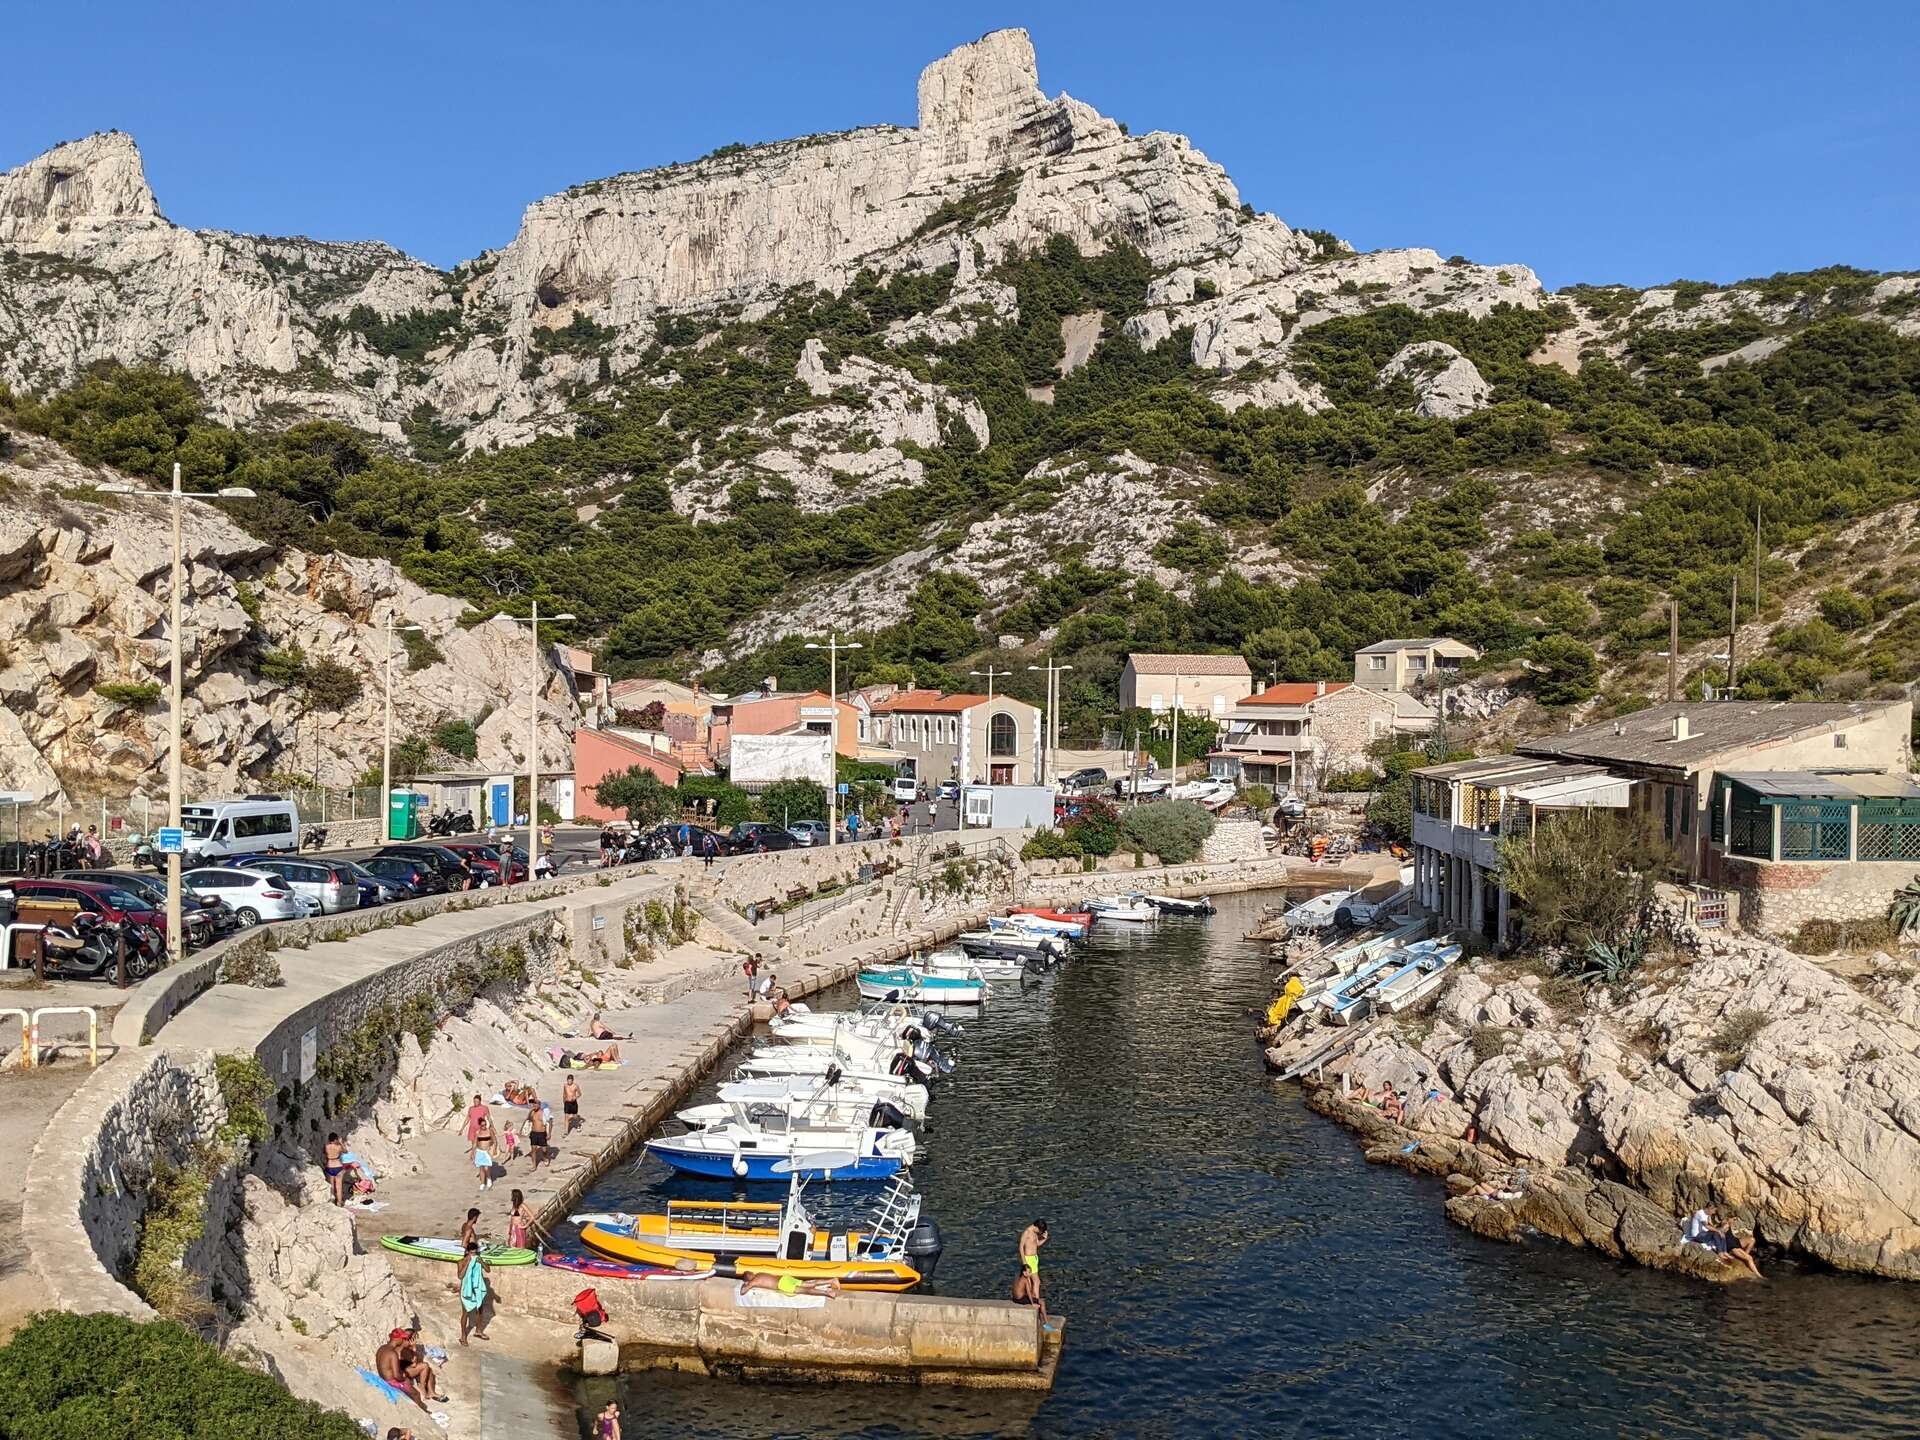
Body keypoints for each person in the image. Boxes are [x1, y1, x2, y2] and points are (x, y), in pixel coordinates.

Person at [374, 1331, 431, 1414]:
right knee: (416, 1394)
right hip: (392, 1381)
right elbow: (397, 1375)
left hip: (383, 1378)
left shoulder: (382, 1348)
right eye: (402, 1338)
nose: (403, 1340)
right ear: (398, 1339)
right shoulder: (392, 1353)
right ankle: (424, 1412)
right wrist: (404, 1379)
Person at [396, 1326, 447, 1404]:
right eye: (415, 1337)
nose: (416, 1339)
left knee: (429, 1370)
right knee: (425, 1365)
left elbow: (415, 1362)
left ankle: (431, 1393)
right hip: (403, 1371)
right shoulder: (403, 1347)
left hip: (409, 1368)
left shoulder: (407, 1346)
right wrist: (413, 1349)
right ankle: (422, 1387)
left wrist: (413, 1349)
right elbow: (414, 1364)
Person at [1013, 1221, 1049, 1320]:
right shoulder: (1027, 1232)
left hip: (1034, 1259)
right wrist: (1025, 1263)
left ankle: (1035, 1299)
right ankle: (1036, 1300)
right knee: (1036, 1281)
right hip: (1028, 1260)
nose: (1040, 1233)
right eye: (1040, 1231)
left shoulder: (1035, 1233)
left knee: (1035, 1282)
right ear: (1037, 1227)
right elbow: (1021, 1247)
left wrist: (1044, 1239)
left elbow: (1036, 1244)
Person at [458, 1241, 489, 1344]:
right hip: (466, 1290)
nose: (473, 1255)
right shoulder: (461, 1261)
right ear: (467, 1252)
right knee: (465, 1313)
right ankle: (463, 1336)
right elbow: (460, 1276)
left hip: (477, 1289)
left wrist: (482, 1262)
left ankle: (478, 1331)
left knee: (480, 1310)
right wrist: (467, 1263)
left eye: (475, 1253)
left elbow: (488, 1270)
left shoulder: (478, 1260)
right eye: (471, 1253)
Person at [741, 1270, 841, 1298]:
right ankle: (831, 1280)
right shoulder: (759, 1274)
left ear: (748, 1279)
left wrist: (746, 1285)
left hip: (782, 1284)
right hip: (785, 1278)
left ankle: (827, 1293)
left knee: (806, 1290)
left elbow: (742, 1292)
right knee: (809, 1284)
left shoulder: (754, 1281)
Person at [473, 1110, 496, 1191]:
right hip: (479, 1151)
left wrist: (493, 1149)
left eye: (485, 1124)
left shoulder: (490, 1131)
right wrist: (473, 1153)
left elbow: (495, 1141)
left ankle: (489, 1178)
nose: (484, 1126)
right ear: (480, 1125)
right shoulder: (477, 1132)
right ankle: (482, 1183)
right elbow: (475, 1143)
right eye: (482, 1125)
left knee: (486, 1168)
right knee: (481, 1168)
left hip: (487, 1152)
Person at [322, 1133, 347, 1206]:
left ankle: (332, 1202)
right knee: (339, 1187)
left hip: (329, 1166)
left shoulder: (326, 1146)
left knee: (331, 1186)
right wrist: (341, 1142)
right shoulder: (339, 1147)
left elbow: (324, 1154)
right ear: (336, 1139)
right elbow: (345, 1151)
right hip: (338, 1166)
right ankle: (339, 1202)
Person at [527, 1096, 550, 1171]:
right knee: (533, 1149)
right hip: (534, 1133)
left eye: (536, 1105)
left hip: (541, 1133)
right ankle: (534, 1165)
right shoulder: (532, 1112)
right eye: (534, 1105)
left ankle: (545, 1157)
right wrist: (530, 1111)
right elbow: (528, 1119)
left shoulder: (543, 1113)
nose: (535, 1106)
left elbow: (547, 1123)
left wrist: (548, 1133)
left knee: (544, 1149)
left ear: (539, 1105)